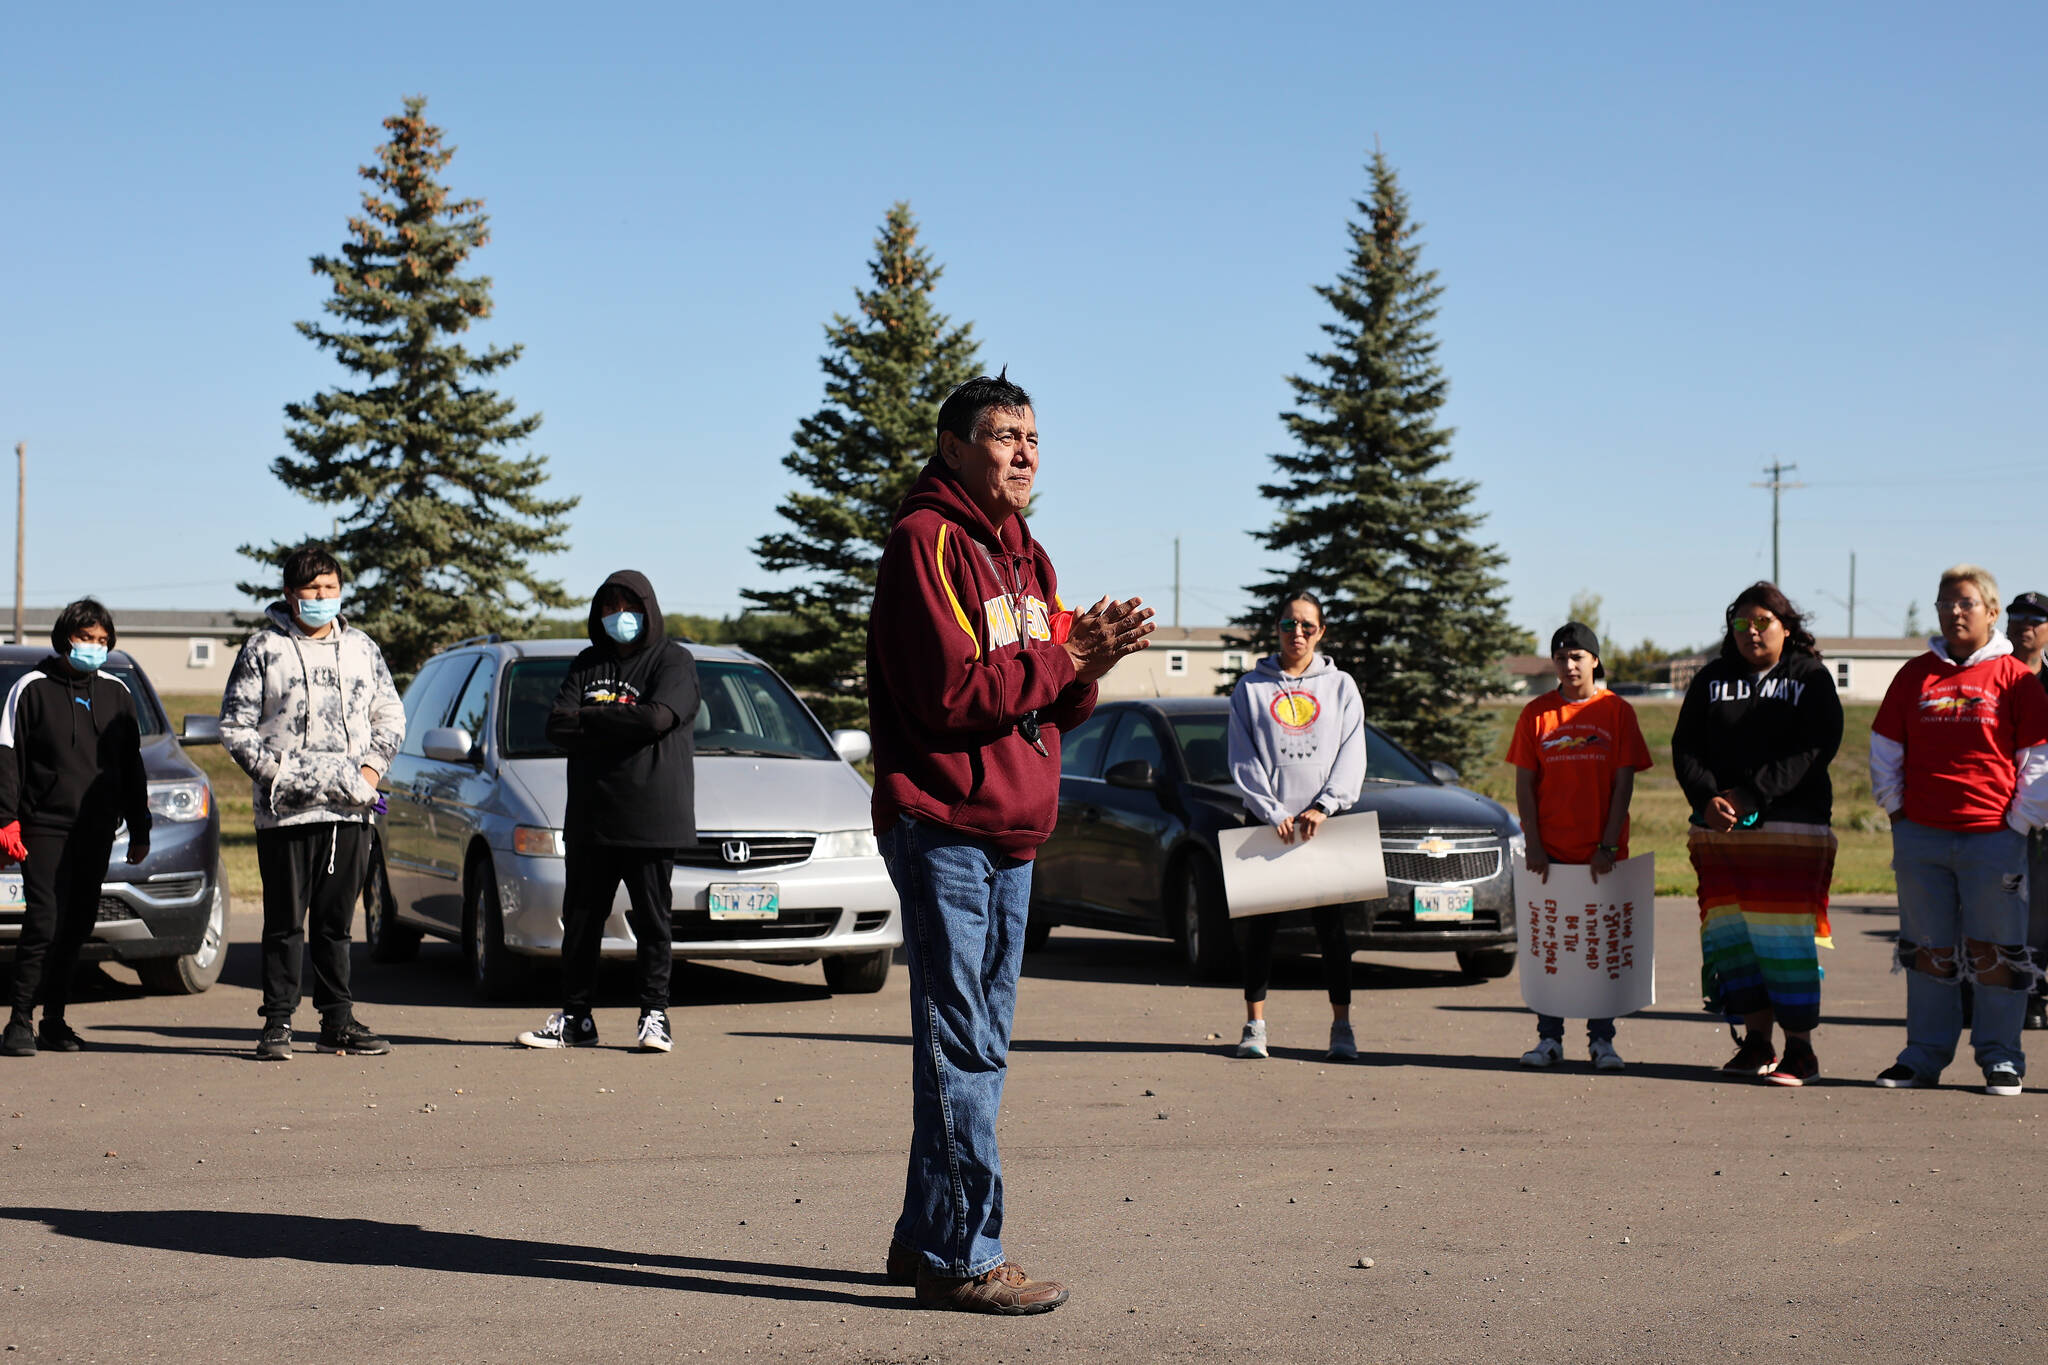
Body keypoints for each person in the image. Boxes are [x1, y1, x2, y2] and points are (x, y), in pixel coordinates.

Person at [867, 372, 1152, 1314]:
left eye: (1034, 437)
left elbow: (1048, 695)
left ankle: (925, 1238)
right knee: (966, 1046)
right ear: (954, 448)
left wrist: (1088, 661)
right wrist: (1063, 657)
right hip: (946, 825)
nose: (1025, 452)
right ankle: (966, 1257)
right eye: (1003, 435)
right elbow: (951, 694)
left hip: (1014, 833)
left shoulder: (1027, 557)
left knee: (964, 1047)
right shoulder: (926, 543)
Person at [220, 545, 405, 1061]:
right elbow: (235, 728)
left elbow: (390, 715)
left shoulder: (363, 649)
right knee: (284, 922)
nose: (322, 597)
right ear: (290, 594)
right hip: (286, 813)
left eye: (330, 588)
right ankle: (277, 1022)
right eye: (311, 589)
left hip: (349, 810)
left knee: (335, 922)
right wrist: (281, 776)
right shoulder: (263, 649)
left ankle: (337, 1021)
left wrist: (368, 772)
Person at [1872, 565, 2048, 1095]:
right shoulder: (1914, 675)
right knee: (1929, 951)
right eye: (1945, 603)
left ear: (1992, 613)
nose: (1954, 612)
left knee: (1998, 951)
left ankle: (2001, 1057)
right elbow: (1886, 750)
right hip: (1921, 836)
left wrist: (2018, 823)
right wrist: (1899, 813)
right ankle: (1922, 1056)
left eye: (1966, 603)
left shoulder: (2015, 679)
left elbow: (2037, 760)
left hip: (1994, 837)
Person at [516, 571, 699, 1053]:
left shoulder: (674, 661)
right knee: (580, 923)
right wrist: (625, 723)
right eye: (610, 609)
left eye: (630, 607)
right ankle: (575, 1018)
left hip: (652, 818)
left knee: (653, 923)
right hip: (591, 819)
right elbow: (558, 725)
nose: (621, 618)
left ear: (648, 609)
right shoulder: (587, 663)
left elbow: (661, 717)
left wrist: (591, 721)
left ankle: (654, 1015)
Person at [1672, 583, 1843, 1086]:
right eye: (1741, 623)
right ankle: (1757, 1043)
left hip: (1791, 829)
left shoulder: (1808, 678)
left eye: (1763, 622)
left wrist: (1752, 795)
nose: (1752, 632)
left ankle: (1801, 1051)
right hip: (1720, 831)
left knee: (1784, 941)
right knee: (1734, 938)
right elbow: (1686, 746)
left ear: (1786, 628)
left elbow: (1817, 746)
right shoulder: (1711, 679)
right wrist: (1707, 799)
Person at [0, 600, 151, 1057]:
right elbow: (8, 756)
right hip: (43, 826)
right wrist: (5, 818)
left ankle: (55, 1020)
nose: (96, 647)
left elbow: (131, 766)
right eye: (87, 638)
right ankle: (19, 1021)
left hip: (95, 829)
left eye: (104, 640)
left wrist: (140, 824)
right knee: (43, 921)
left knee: (76, 925)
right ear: (66, 637)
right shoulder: (31, 689)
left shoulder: (117, 694)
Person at [1225, 591, 1367, 1062]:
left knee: (1333, 934)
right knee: (1260, 930)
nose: (1297, 634)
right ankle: (1255, 1025)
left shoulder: (1341, 686)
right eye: (1289, 625)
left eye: (1307, 625)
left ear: (1321, 632)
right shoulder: (1251, 688)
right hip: (1270, 826)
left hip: (1324, 825)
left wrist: (1325, 806)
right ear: (1277, 629)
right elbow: (1242, 759)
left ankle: (1341, 1028)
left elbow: (1352, 753)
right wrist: (1273, 812)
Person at [1508, 622, 1653, 1071]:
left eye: (1578, 656)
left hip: (1601, 855)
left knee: (1599, 948)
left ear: (1594, 660)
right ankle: (1549, 1039)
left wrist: (1607, 846)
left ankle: (1602, 1041)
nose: (1569, 665)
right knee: (1550, 947)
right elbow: (1525, 784)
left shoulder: (1617, 712)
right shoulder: (1537, 713)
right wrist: (1533, 842)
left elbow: (1623, 783)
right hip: (1549, 853)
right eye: (1561, 657)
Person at [2007, 590, 2048, 1031]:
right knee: (1984, 903)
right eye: (2018, 616)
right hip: (1994, 809)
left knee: (2039, 909)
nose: (2026, 625)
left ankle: (2034, 992)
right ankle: (1975, 988)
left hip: (2044, 812)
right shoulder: (1990, 677)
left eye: (2036, 618)